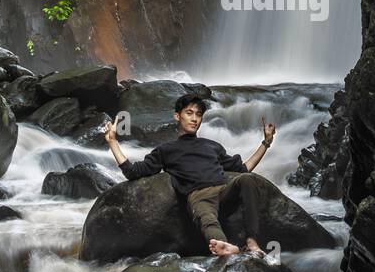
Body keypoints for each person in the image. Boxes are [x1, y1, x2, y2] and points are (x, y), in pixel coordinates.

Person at [103, 94, 276, 257]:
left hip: (223, 190)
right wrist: (112, 142)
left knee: (247, 180)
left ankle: (252, 242)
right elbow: (133, 172)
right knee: (208, 219)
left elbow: (244, 169)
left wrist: (266, 143)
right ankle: (224, 246)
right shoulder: (166, 150)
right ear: (177, 116)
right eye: (189, 113)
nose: (194, 119)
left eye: (198, 115)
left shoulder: (212, 146)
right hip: (199, 196)